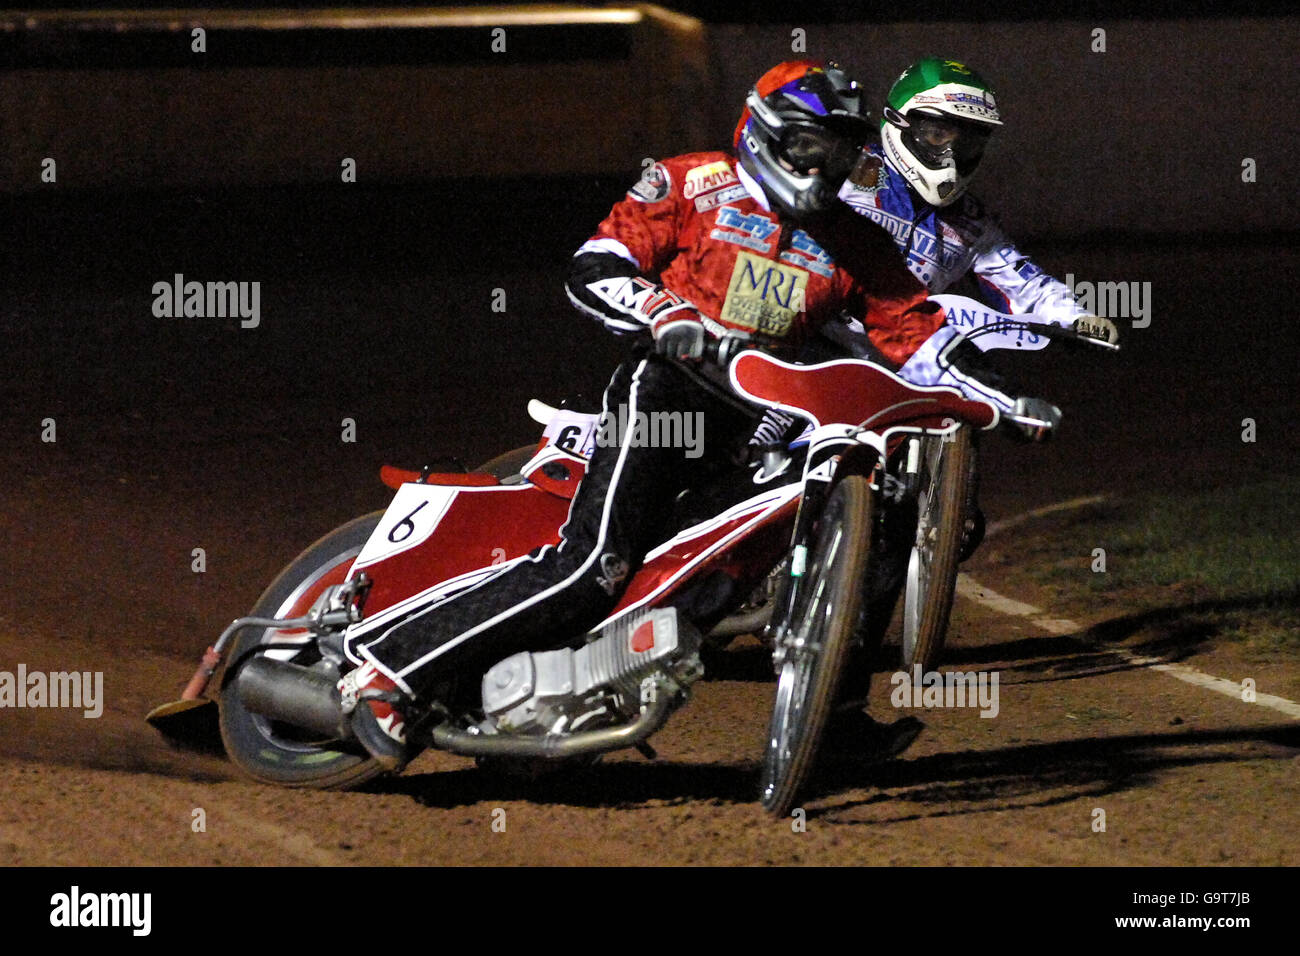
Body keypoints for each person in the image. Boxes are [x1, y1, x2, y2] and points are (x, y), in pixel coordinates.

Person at [337, 60, 1054, 769]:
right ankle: (389, 671)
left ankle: (831, 714)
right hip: (666, 394)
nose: (821, 166)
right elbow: (596, 264)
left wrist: (1004, 397)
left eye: (837, 152)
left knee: (856, 513)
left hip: (766, 420)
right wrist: (659, 309)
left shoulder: (856, 239)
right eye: (809, 146)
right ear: (765, 132)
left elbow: (919, 332)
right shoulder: (690, 182)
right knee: (595, 566)